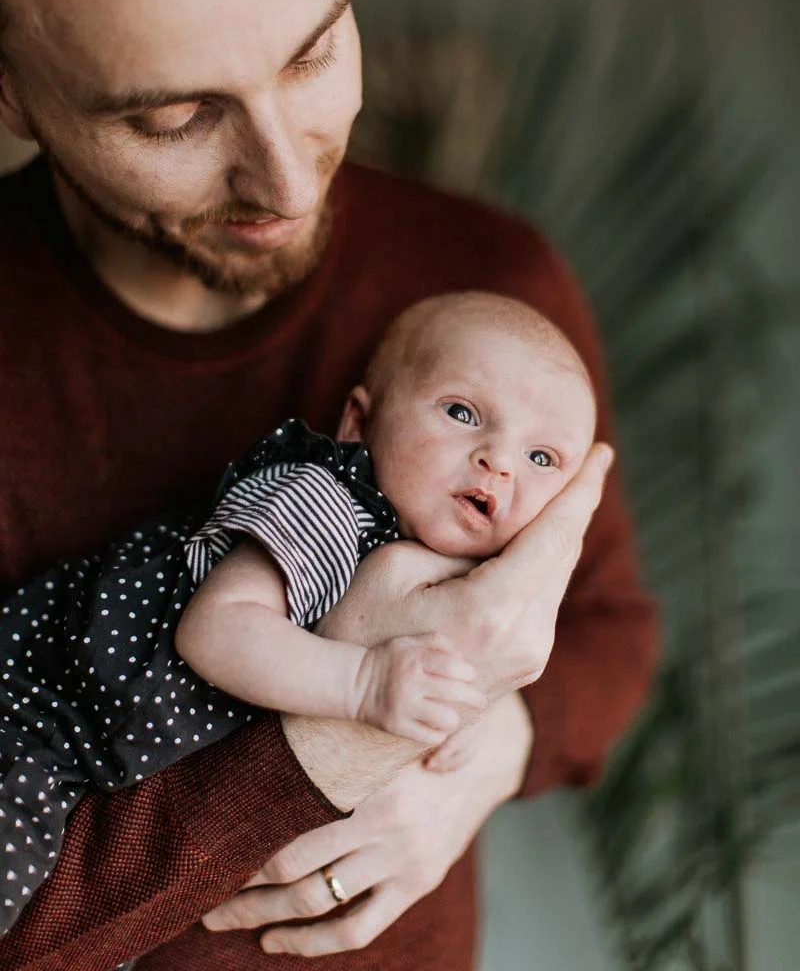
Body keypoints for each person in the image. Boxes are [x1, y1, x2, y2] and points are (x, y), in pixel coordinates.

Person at [0, 0, 658, 968]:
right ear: (11, 89)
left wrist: (488, 749)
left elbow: (611, 630)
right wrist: (338, 749)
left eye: (314, 54)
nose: (288, 183)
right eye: (172, 119)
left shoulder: (487, 285)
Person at [0, 290, 600, 934]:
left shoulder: (463, 577)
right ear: (360, 424)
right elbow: (216, 630)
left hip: (98, 779)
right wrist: (363, 684)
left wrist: (474, 709)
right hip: (40, 716)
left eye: (542, 459)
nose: (499, 460)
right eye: (462, 412)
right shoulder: (328, 505)